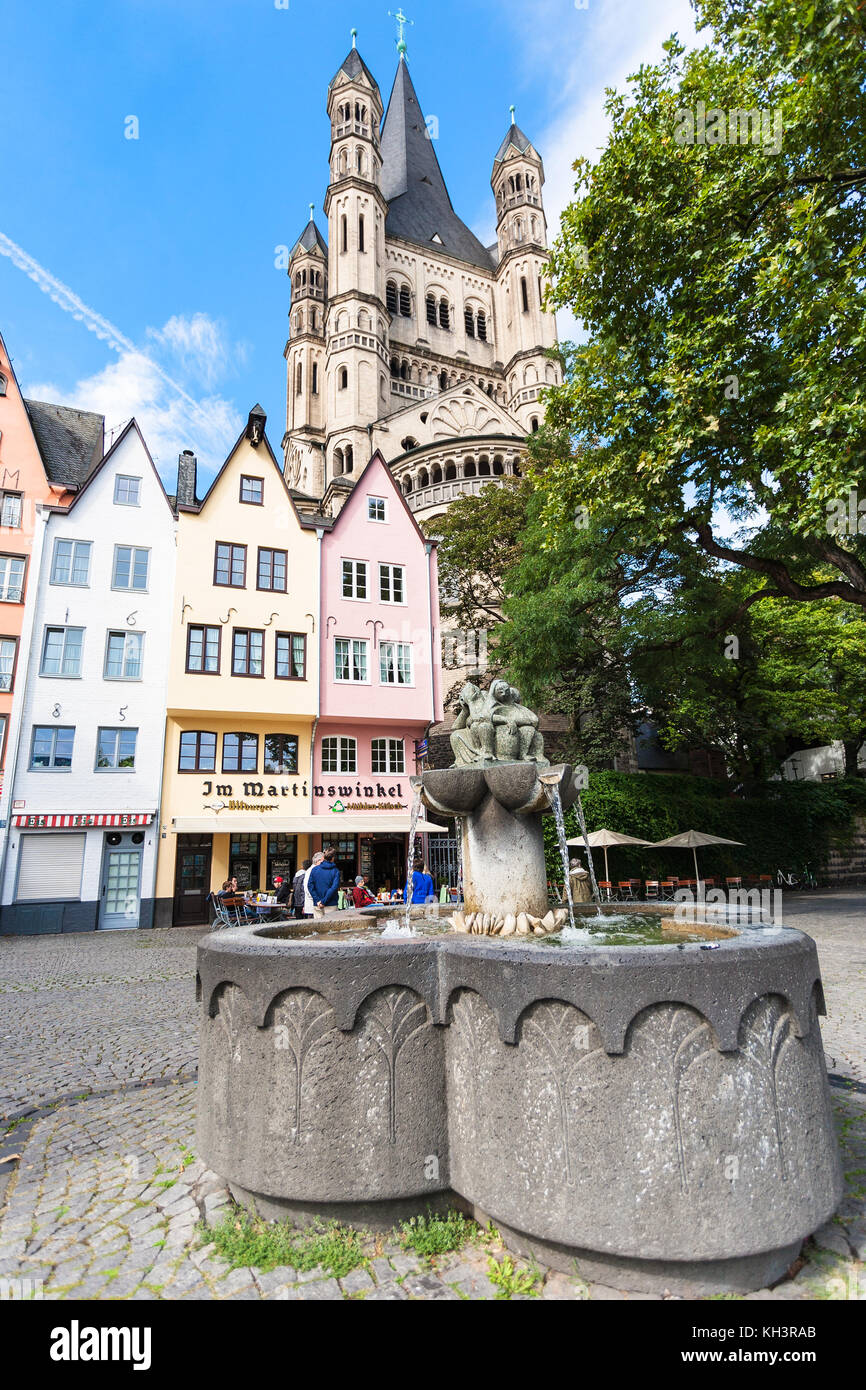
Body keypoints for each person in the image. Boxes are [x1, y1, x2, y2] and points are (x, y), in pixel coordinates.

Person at [308, 848, 340, 918]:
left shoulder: (314, 869)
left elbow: (310, 886)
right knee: (331, 924)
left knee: (318, 924)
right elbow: (334, 888)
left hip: (317, 904)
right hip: (331, 904)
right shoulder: (335, 871)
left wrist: (317, 900)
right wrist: (323, 901)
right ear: (333, 858)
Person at [302, 852, 324, 917]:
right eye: (323, 861)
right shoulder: (311, 871)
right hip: (313, 906)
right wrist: (317, 900)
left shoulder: (315, 870)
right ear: (318, 861)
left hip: (315, 905)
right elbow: (307, 888)